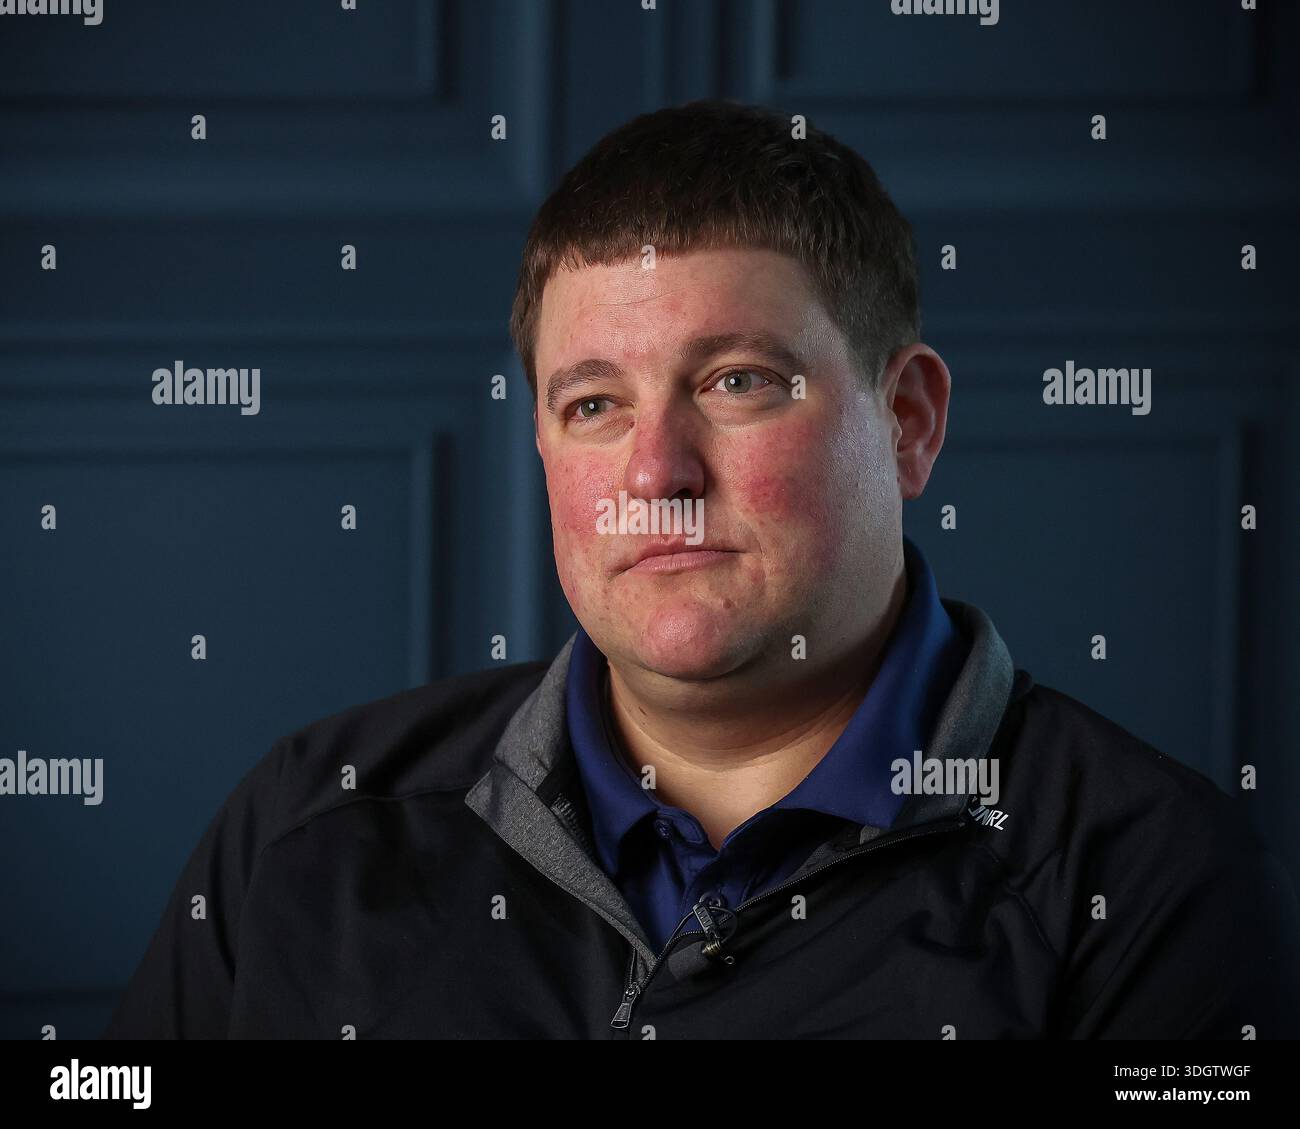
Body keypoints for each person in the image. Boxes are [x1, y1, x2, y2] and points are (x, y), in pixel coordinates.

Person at [103, 99, 1300, 1039]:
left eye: (737, 382)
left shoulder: (1143, 873)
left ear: (908, 423)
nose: (655, 472)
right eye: (593, 404)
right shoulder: (313, 819)